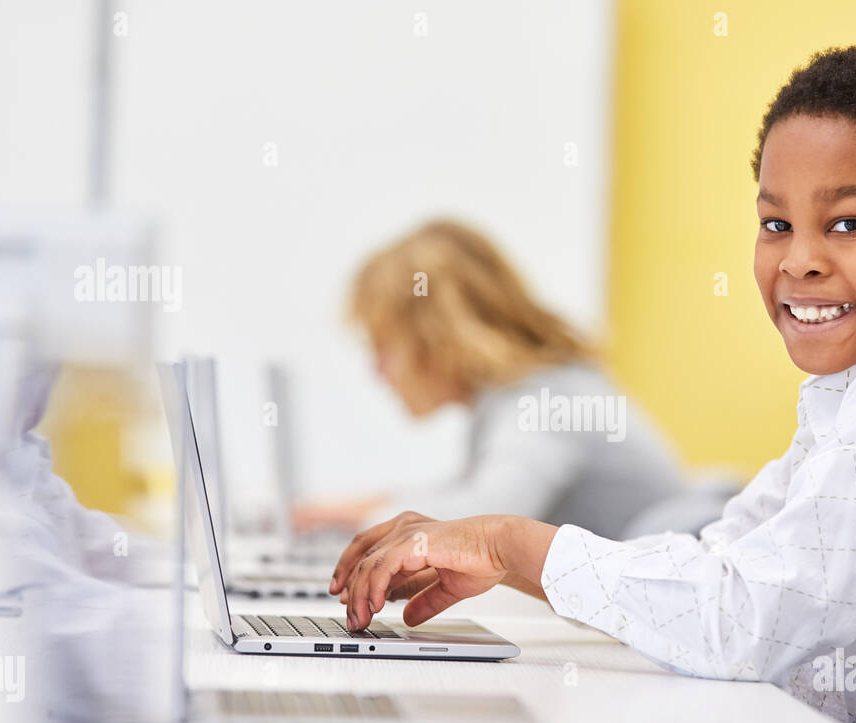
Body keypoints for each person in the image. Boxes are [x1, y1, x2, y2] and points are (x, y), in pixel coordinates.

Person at [329, 45, 856, 723]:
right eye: (776, 223)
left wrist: (507, 545)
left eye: (848, 223)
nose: (800, 260)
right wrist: (511, 560)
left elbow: (746, 623)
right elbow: (719, 564)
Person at [292, 220, 687, 542]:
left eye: (384, 348)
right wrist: (359, 508)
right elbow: (467, 495)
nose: (377, 372)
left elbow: (485, 518)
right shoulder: (527, 393)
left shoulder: (544, 402)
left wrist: (362, 523)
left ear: (436, 340)